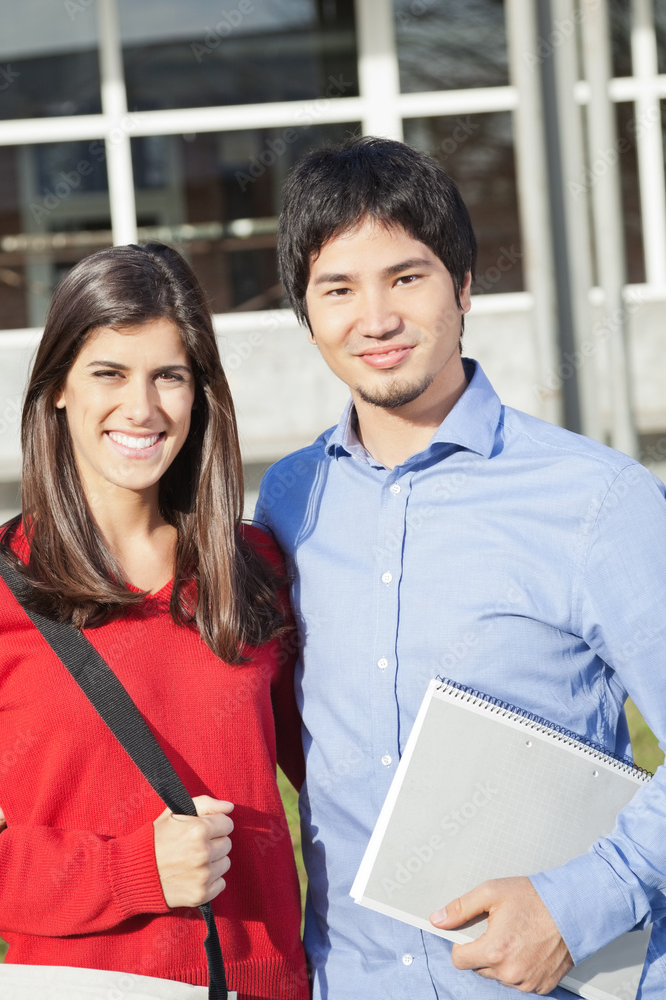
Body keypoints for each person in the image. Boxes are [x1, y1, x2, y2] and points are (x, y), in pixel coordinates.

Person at [254, 136, 666, 998]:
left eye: (406, 278)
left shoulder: (597, 501)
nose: (375, 318)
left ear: (464, 286)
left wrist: (577, 903)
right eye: (338, 289)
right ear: (307, 314)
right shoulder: (289, 502)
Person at [0, 244, 308, 1000]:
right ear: (60, 387)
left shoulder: (255, 565)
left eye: (168, 375)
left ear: (200, 393)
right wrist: (126, 871)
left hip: (269, 986)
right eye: (109, 372)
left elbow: (335, 774)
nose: (141, 407)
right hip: (78, 986)